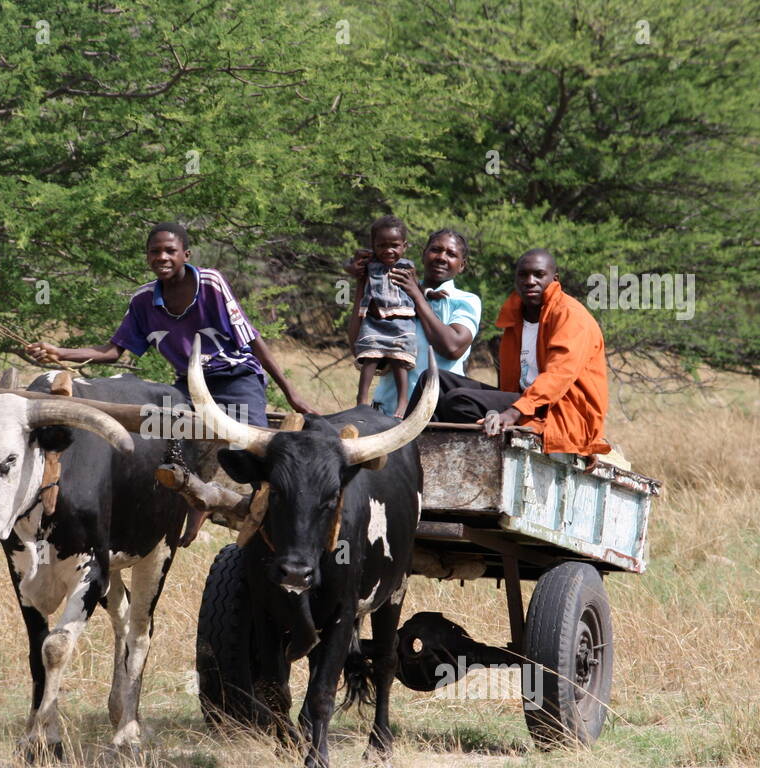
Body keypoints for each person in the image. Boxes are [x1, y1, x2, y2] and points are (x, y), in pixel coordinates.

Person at [26, 221, 316, 544]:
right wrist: (59, 352)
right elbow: (110, 351)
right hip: (188, 386)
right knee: (156, 430)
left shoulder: (211, 284)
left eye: (170, 251)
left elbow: (253, 339)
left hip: (237, 378)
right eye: (155, 251)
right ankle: (189, 500)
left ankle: (263, 514)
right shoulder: (143, 301)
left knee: (252, 450)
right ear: (147, 257)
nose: (162, 257)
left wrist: (291, 393)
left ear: (185, 254)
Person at [409, 248, 611, 457]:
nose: (530, 281)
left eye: (539, 275)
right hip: (525, 401)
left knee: (460, 401)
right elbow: (509, 385)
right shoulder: (515, 316)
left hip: (558, 410)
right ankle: (407, 451)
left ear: (555, 279)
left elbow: (558, 375)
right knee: (431, 381)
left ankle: (446, 459)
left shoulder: (569, 315)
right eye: (523, 275)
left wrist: (513, 413)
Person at [345, 228, 481, 417]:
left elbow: (452, 348)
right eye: (436, 250)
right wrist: (362, 280)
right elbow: (358, 345)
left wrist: (417, 295)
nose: (441, 257)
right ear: (424, 254)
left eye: (451, 254)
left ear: (462, 265)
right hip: (385, 411)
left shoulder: (465, 300)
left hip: (433, 415)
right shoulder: (395, 290)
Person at [349, 217, 419, 417]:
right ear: (373, 246)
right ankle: (361, 400)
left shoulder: (407, 267)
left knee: (399, 360)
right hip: (375, 322)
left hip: (401, 322)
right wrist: (351, 267)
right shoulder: (370, 263)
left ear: (404, 246)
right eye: (382, 245)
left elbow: (417, 290)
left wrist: (430, 292)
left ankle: (403, 403)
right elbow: (348, 266)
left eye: (395, 245)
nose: (389, 250)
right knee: (370, 355)